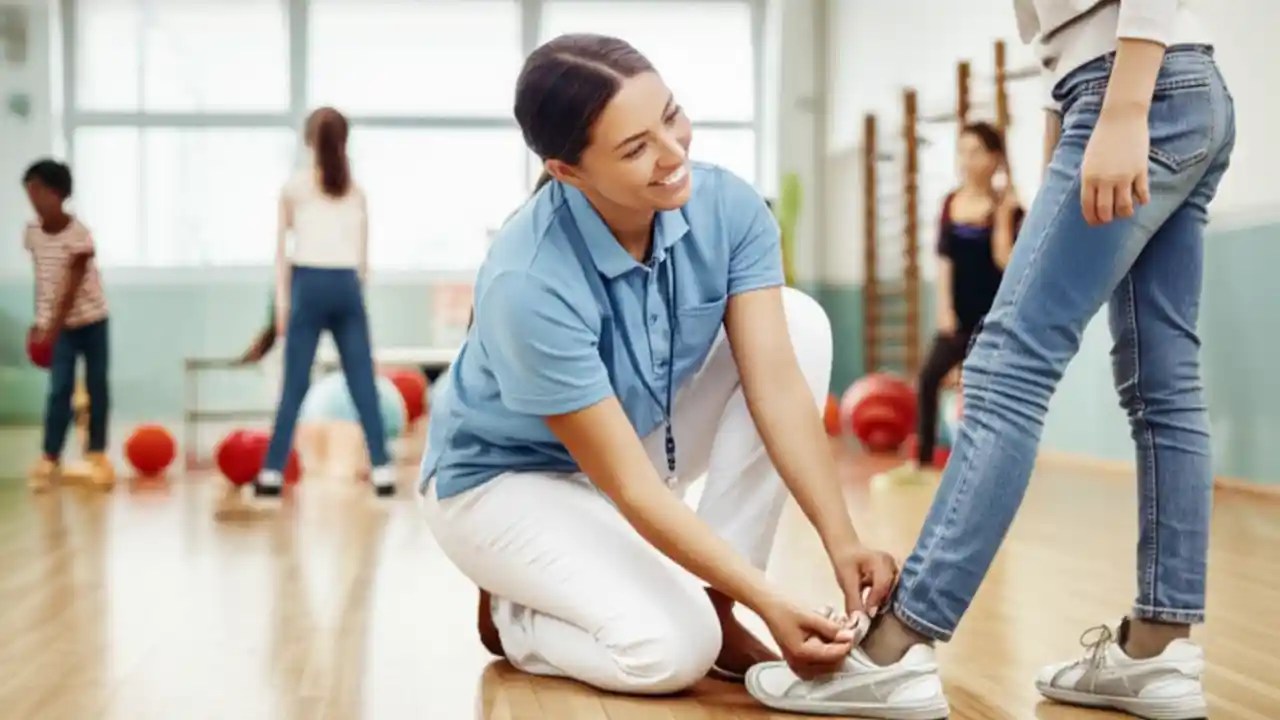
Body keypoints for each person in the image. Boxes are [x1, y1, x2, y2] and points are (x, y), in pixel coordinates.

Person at [747, 2, 1235, 719]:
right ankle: (1158, 650)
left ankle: (895, 649)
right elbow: (1054, 54)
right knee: (1164, 383)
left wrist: (1128, 107)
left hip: (1134, 85)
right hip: (1174, 89)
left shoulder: (1128, 96)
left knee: (1004, 371)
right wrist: (1073, 140)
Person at [419, 33, 904, 700]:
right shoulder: (527, 278)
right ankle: (517, 618)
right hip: (507, 483)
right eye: (635, 148)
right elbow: (630, 486)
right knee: (672, 653)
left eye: (671, 116)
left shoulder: (727, 208)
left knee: (801, 325)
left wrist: (842, 542)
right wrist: (770, 599)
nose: (674, 154)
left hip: (630, 441)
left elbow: (776, 388)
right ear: (568, 172)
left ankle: (716, 607)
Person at [256, 107, 394, 500]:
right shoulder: (357, 192)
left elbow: (281, 253)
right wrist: (354, 293)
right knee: (362, 381)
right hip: (346, 285)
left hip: (308, 284)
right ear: (344, 141)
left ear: (308, 142)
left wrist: (283, 304)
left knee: (295, 384)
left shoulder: (294, 189)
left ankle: (272, 473)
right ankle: (382, 469)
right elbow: (364, 261)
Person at [877, 122, 1024, 484]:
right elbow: (944, 262)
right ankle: (923, 461)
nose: (967, 160)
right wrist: (943, 309)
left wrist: (1003, 217)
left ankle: (988, 466)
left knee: (986, 392)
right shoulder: (949, 203)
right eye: (962, 152)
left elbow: (1007, 262)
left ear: (995, 158)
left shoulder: (1009, 206)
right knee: (928, 379)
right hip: (957, 316)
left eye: (976, 152)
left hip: (994, 317)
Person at [22, 159, 114, 492]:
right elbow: (43, 280)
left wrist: (51, 329)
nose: (33, 198)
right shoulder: (32, 234)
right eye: (29, 191)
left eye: (39, 190)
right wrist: (39, 322)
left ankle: (96, 453)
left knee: (96, 386)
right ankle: (50, 456)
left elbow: (69, 289)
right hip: (57, 327)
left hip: (92, 322)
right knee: (60, 389)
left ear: (58, 193)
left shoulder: (80, 236)